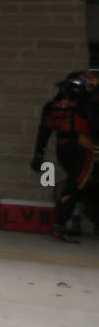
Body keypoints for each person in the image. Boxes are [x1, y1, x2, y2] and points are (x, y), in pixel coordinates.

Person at [31, 71, 99, 242]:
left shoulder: (52, 105)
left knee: (84, 186)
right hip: (83, 148)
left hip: (63, 148)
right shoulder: (86, 105)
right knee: (75, 188)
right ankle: (59, 226)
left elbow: (44, 132)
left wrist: (38, 154)